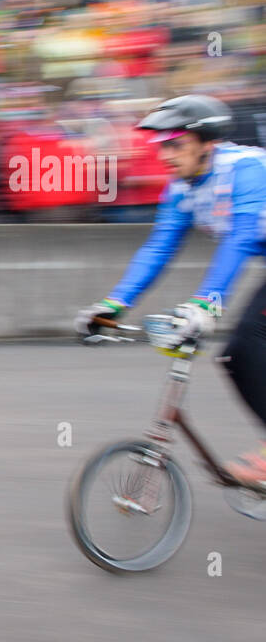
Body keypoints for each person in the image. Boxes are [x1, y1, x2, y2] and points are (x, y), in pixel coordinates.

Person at [75, 94, 266, 484]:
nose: (165, 156)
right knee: (237, 357)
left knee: (247, 343)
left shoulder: (244, 170)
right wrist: (113, 305)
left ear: (207, 144)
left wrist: (206, 304)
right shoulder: (181, 190)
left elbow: (242, 238)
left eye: (176, 145)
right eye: (162, 146)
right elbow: (158, 248)